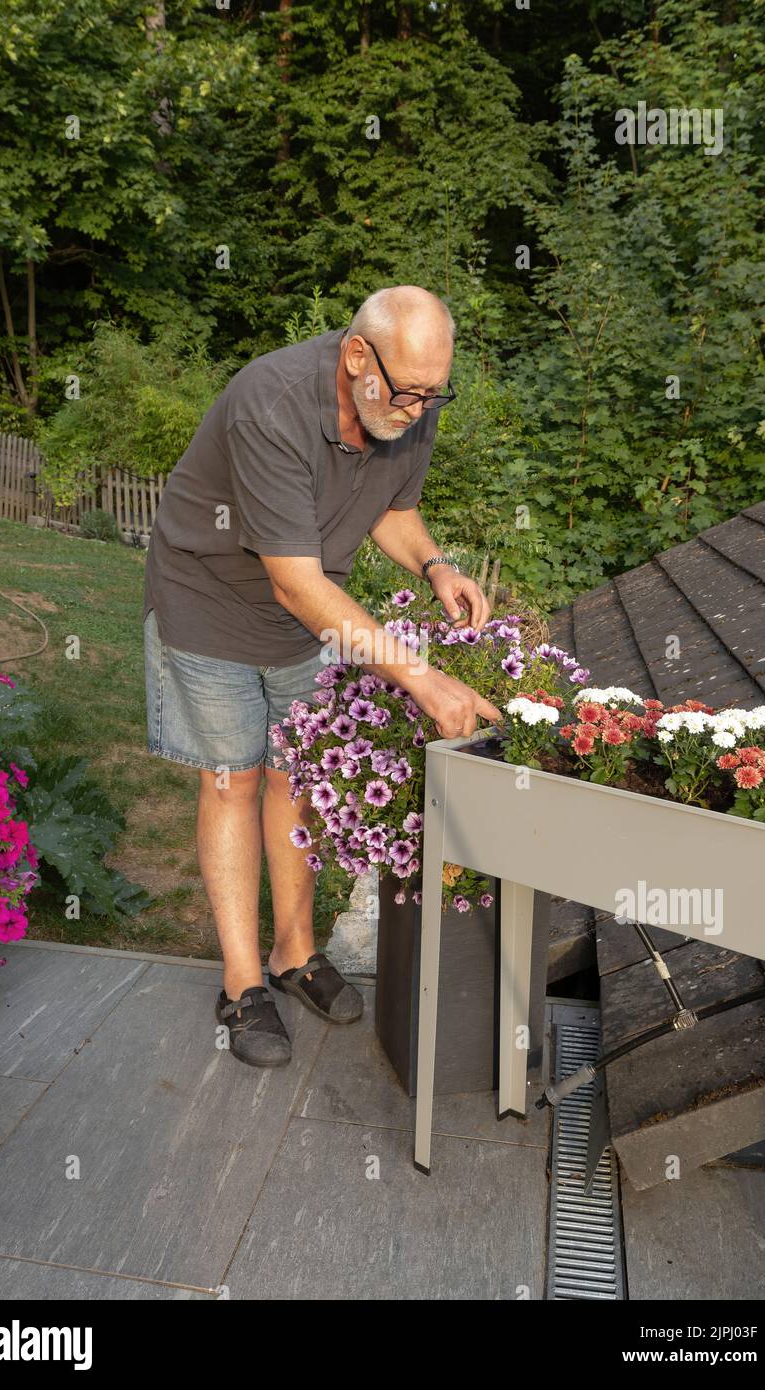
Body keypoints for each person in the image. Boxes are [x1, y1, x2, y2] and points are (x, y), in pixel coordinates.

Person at [143, 284, 503, 1069]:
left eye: (433, 393)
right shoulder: (269, 404)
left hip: (308, 611)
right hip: (211, 601)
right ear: (354, 354)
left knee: (294, 776)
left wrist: (435, 564)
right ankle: (243, 986)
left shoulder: (411, 401)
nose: (417, 409)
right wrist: (424, 680)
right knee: (233, 779)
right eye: (405, 391)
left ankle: (293, 952)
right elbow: (295, 583)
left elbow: (389, 508)